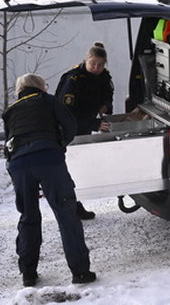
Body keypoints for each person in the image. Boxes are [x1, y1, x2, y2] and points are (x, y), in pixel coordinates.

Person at [2, 73, 97, 287]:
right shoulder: (50, 101)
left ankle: (28, 274)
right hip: (49, 159)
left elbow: (8, 142)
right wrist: (58, 144)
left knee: (28, 216)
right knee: (67, 215)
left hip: (19, 165)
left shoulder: (10, 111)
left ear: (20, 91)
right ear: (41, 87)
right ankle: (80, 272)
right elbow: (70, 126)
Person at [58, 42, 114, 220]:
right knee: (70, 170)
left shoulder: (104, 76)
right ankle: (71, 207)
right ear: (86, 60)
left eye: (100, 64)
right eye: (93, 63)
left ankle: (75, 204)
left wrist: (106, 105)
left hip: (84, 127)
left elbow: (108, 93)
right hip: (67, 130)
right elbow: (67, 113)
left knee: (78, 170)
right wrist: (94, 124)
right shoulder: (74, 80)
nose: (96, 68)